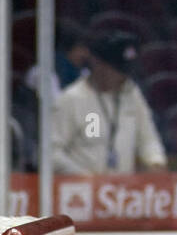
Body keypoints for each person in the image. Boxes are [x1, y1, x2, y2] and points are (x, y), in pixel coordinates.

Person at [50, 29, 166, 175]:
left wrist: (155, 162)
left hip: (121, 190)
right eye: (118, 70)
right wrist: (84, 177)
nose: (124, 77)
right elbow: (52, 153)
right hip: (81, 191)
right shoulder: (71, 99)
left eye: (127, 71)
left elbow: (148, 138)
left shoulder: (131, 93)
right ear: (97, 63)